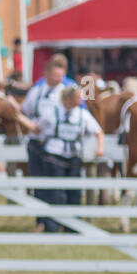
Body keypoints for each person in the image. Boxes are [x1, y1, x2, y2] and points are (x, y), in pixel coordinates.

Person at [35, 84, 103, 233]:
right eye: (78, 97)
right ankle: (51, 226)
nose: (81, 100)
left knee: (74, 193)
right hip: (54, 156)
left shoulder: (82, 114)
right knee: (55, 193)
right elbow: (37, 128)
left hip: (73, 158)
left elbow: (98, 131)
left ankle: (73, 227)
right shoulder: (52, 112)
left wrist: (100, 148)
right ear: (68, 98)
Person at [22, 54, 75, 230]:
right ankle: (41, 221)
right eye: (54, 76)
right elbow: (26, 111)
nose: (57, 79)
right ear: (46, 74)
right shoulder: (36, 91)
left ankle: (59, 222)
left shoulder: (67, 91)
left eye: (60, 76)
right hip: (37, 144)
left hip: (57, 146)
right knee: (39, 185)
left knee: (58, 188)